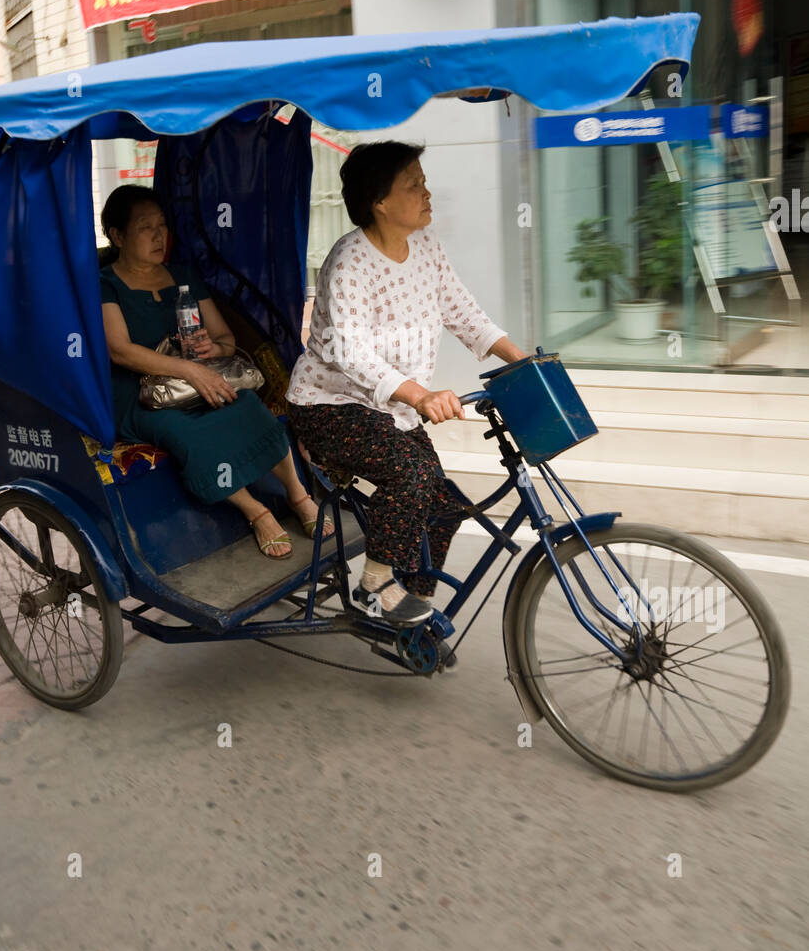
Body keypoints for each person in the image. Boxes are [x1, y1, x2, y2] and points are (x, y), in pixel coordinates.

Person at [286, 142, 524, 626]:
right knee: (411, 478)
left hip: (388, 409)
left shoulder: (427, 247)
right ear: (380, 202)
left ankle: (414, 616)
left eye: (423, 180)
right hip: (328, 406)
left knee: (445, 505)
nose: (426, 192)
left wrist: (523, 362)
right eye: (413, 185)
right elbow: (351, 353)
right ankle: (374, 586)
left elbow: (463, 313)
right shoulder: (349, 262)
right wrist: (420, 395)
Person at [99, 185, 331, 559]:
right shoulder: (105, 284)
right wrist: (190, 371)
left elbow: (225, 340)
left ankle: (297, 493)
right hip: (144, 397)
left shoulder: (183, 277)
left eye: (162, 225)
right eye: (146, 227)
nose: (160, 235)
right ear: (117, 235)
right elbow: (120, 350)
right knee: (187, 433)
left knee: (250, 409)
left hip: (202, 380)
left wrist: (211, 349)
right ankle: (256, 511)